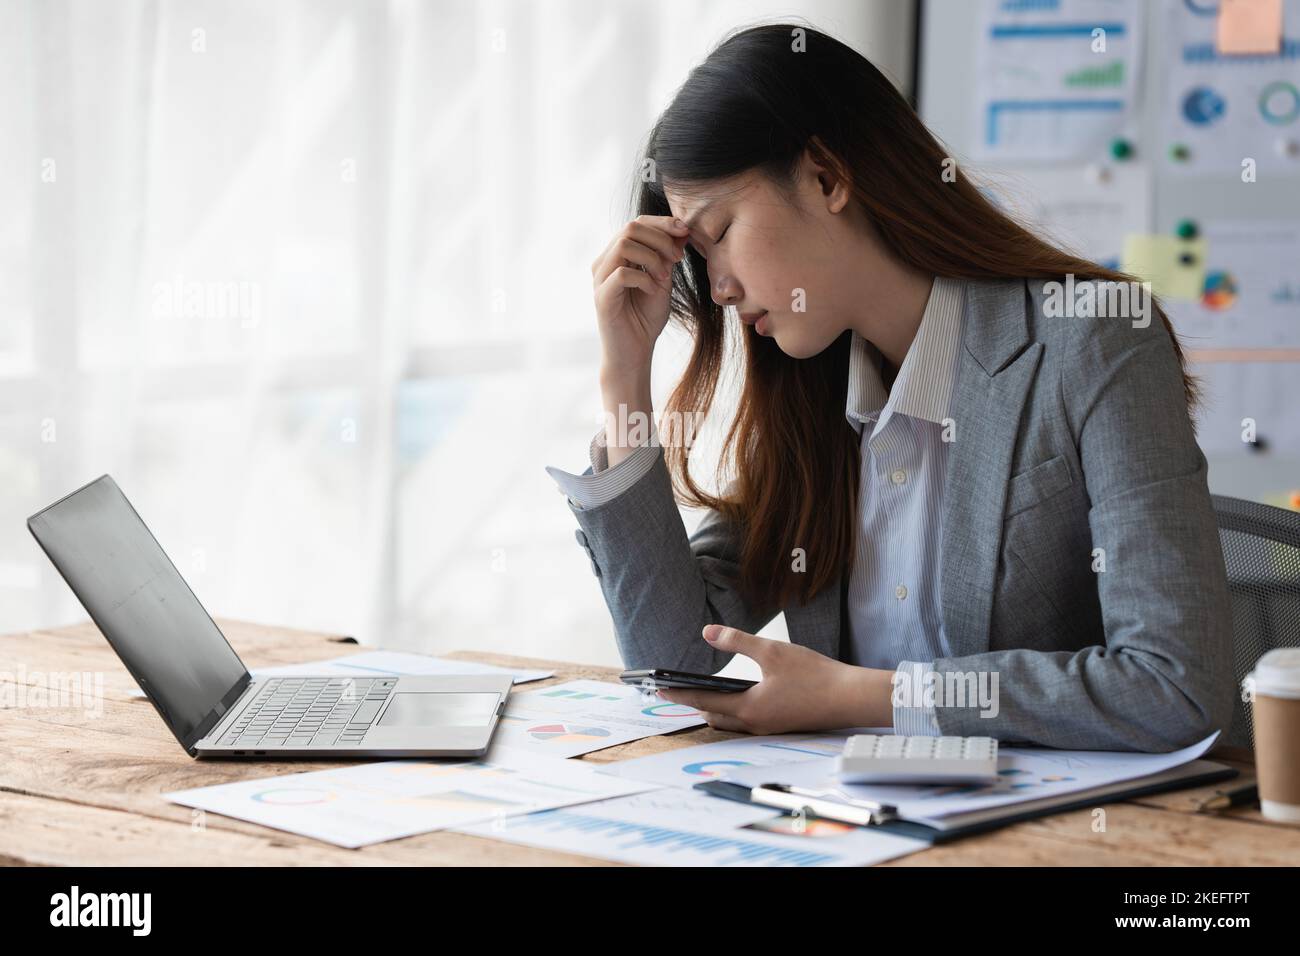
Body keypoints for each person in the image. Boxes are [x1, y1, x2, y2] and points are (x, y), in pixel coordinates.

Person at [544, 23, 1234, 752]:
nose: (718, 289)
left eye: (722, 231)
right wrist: (624, 378)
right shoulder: (807, 396)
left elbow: (1175, 686)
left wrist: (869, 697)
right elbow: (676, 658)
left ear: (827, 178)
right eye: (700, 257)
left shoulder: (1092, 342)